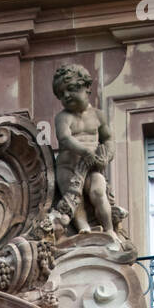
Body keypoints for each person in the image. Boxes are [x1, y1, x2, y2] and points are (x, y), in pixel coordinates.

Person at [52, 63, 114, 235]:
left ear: (86, 87)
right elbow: (65, 137)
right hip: (68, 167)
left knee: (98, 191)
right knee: (75, 200)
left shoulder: (98, 115)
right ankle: (83, 227)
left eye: (71, 89)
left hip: (91, 167)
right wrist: (85, 151)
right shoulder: (63, 117)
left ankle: (109, 229)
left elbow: (108, 138)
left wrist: (106, 156)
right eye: (61, 94)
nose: (66, 95)